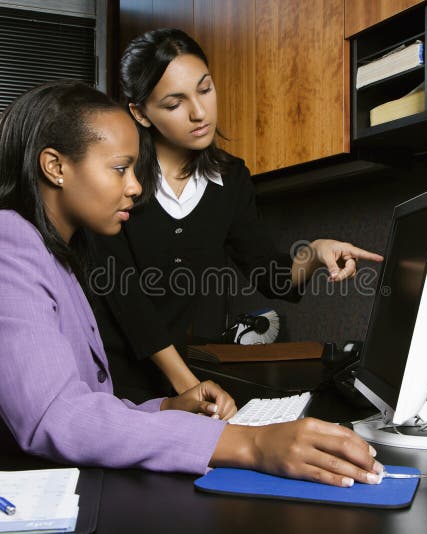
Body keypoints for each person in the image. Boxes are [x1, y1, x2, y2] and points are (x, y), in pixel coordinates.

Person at [0, 80, 384, 486]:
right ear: (56, 167)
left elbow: (80, 402)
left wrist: (168, 406)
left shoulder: (55, 254)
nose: (136, 186)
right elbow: (55, 419)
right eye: (121, 168)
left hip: (39, 485)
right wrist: (250, 444)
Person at [90, 28, 383, 414]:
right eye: (174, 103)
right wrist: (192, 388)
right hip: (103, 379)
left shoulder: (230, 180)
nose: (199, 112)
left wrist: (314, 253)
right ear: (141, 113)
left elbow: (269, 274)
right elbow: (126, 301)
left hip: (172, 384)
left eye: (205, 89)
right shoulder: (116, 178)